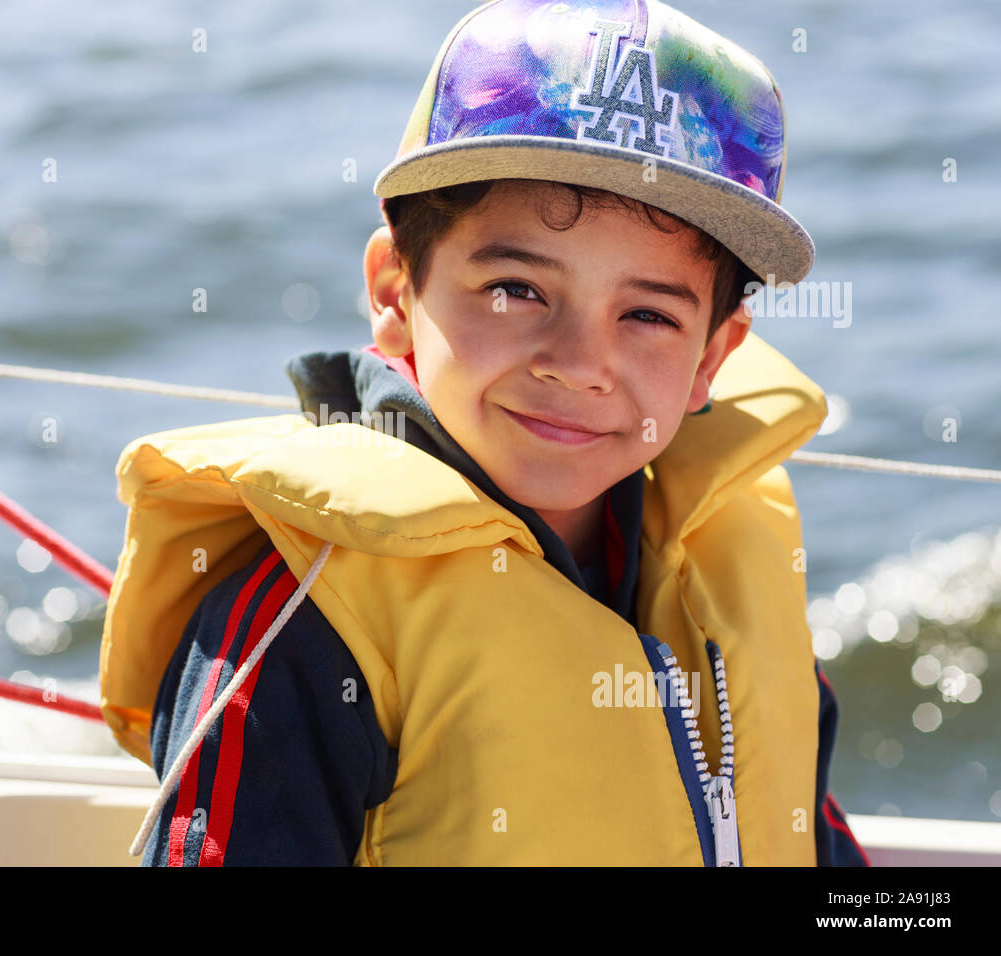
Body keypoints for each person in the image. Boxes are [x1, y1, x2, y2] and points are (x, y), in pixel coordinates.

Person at [100, 0, 869, 866]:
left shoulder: (731, 562)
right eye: (516, 289)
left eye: (649, 313)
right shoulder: (310, 622)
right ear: (395, 290)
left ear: (712, 359)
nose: (579, 364)